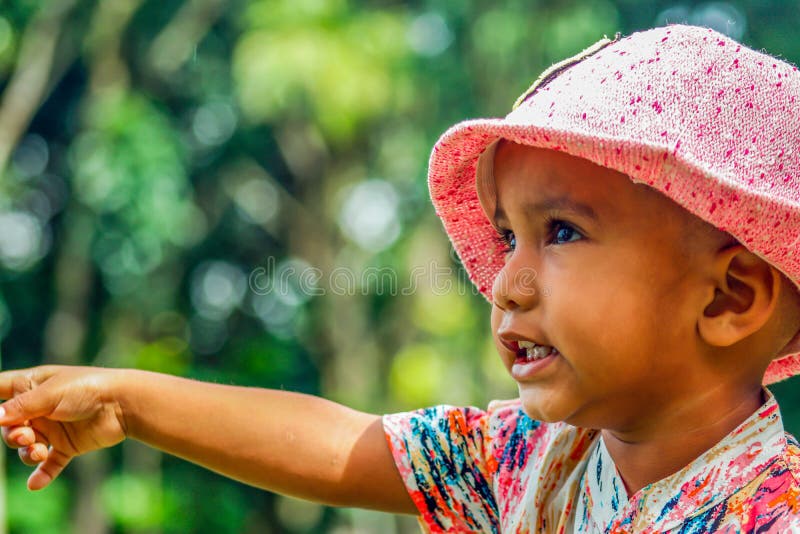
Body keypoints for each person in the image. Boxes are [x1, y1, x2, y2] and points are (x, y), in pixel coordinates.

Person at [2, 24, 800, 533]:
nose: (506, 285)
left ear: (731, 297)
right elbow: (344, 445)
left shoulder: (770, 515)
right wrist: (123, 399)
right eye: (506, 236)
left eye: (560, 232)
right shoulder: (532, 460)